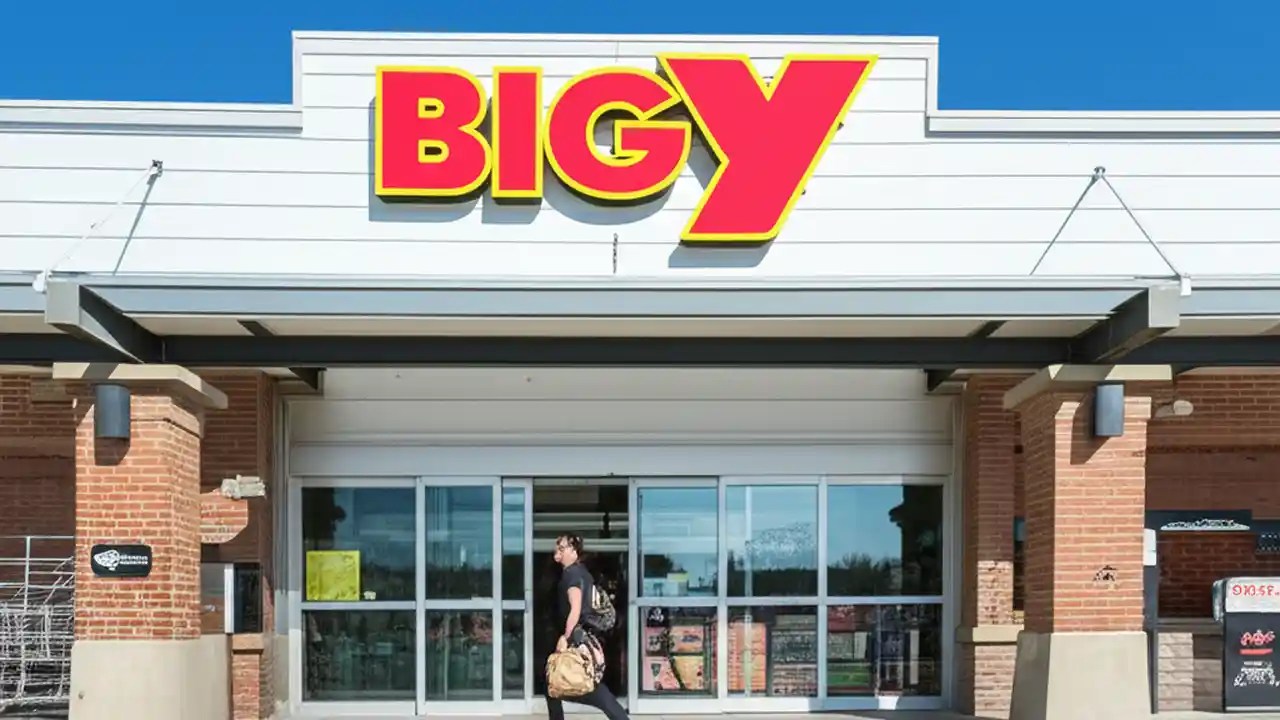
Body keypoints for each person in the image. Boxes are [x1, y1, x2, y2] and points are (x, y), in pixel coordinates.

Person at [546, 533, 630, 720]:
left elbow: (575, 610)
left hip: (578, 637)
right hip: (584, 636)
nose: (558, 549)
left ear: (574, 551)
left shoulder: (572, 574)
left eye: (562, 547)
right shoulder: (582, 573)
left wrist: (565, 638)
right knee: (555, 684)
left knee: (582, 685)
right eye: (557, 546)